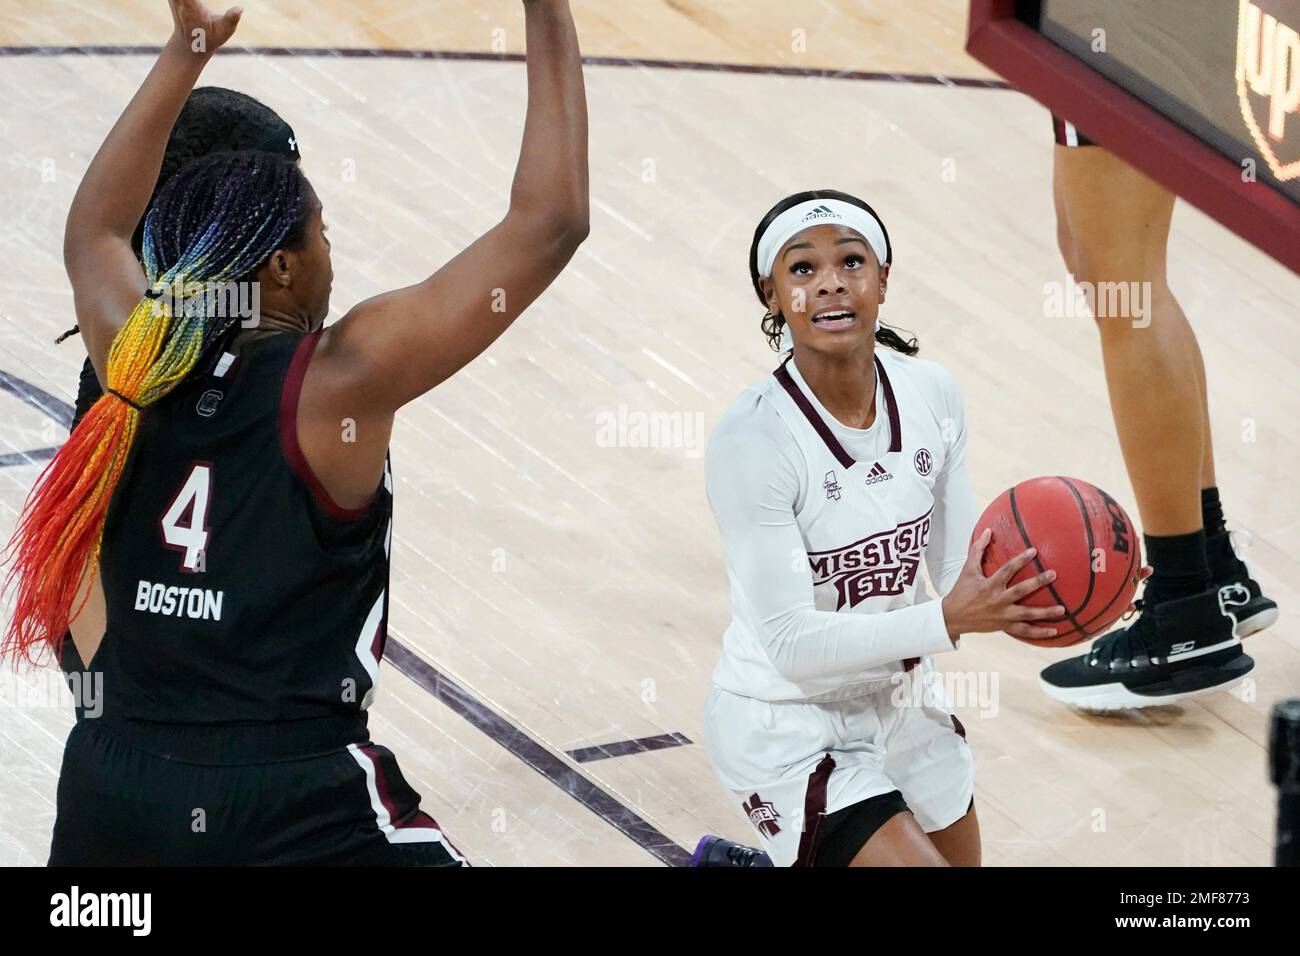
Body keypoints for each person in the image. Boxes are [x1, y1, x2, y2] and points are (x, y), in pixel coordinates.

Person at [4, 0, 588, 865]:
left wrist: (188, 48)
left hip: (112, 787)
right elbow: (552, 221)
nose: (330, 254)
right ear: (283, 264)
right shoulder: (335, 381)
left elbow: (95, 229)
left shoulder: (127, 359)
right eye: (322, 236)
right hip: (290, 798)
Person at [700, 190, 1060, 866]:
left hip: (901, 702)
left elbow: (961, 576)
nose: (831, 281)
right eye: (802, 269)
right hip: (785, 717)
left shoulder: (931, 394)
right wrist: (944, 622)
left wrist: (1063, 588)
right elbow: (790, 643)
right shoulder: (752, 441)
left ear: (883, 281)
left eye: (852, 261)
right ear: (771, 296)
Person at [58, 85, 303, 704]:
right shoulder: (239, 353)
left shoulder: (133, 330)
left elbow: (98, 229)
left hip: (123, 645)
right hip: (173, 662)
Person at [1039, 117, 1277, 709]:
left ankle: (1183, 607)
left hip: (1114, 22)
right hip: (1125, 21)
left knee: (1124, 285)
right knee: (1103, 266)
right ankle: (1212, 567)